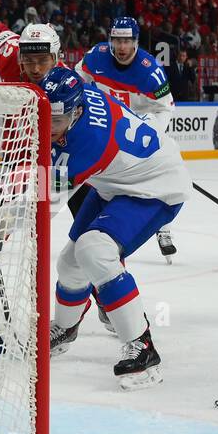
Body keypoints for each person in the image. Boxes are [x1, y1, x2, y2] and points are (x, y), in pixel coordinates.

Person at [40, 66, 190, 388]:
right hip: (117, 180)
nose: (48, 128)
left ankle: (142, 345)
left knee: (95, 250)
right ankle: (66, 328)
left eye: (55, 121)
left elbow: (41, 206)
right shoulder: (77, 100)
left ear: (76, 111)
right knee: (69, 263)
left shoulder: (86, 143)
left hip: (154, 187)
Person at [75, 17, 179, 262]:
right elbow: (78, 81)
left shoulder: (150, 71)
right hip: (109, 126)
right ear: (110, 40)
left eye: (127, 41)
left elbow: (166, 108)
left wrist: (148, 134)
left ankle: (162, 226)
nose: (122, 47)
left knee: (154, 178)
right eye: (117, 41)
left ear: (136, 42)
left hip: (141, 128)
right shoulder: (95, 56)